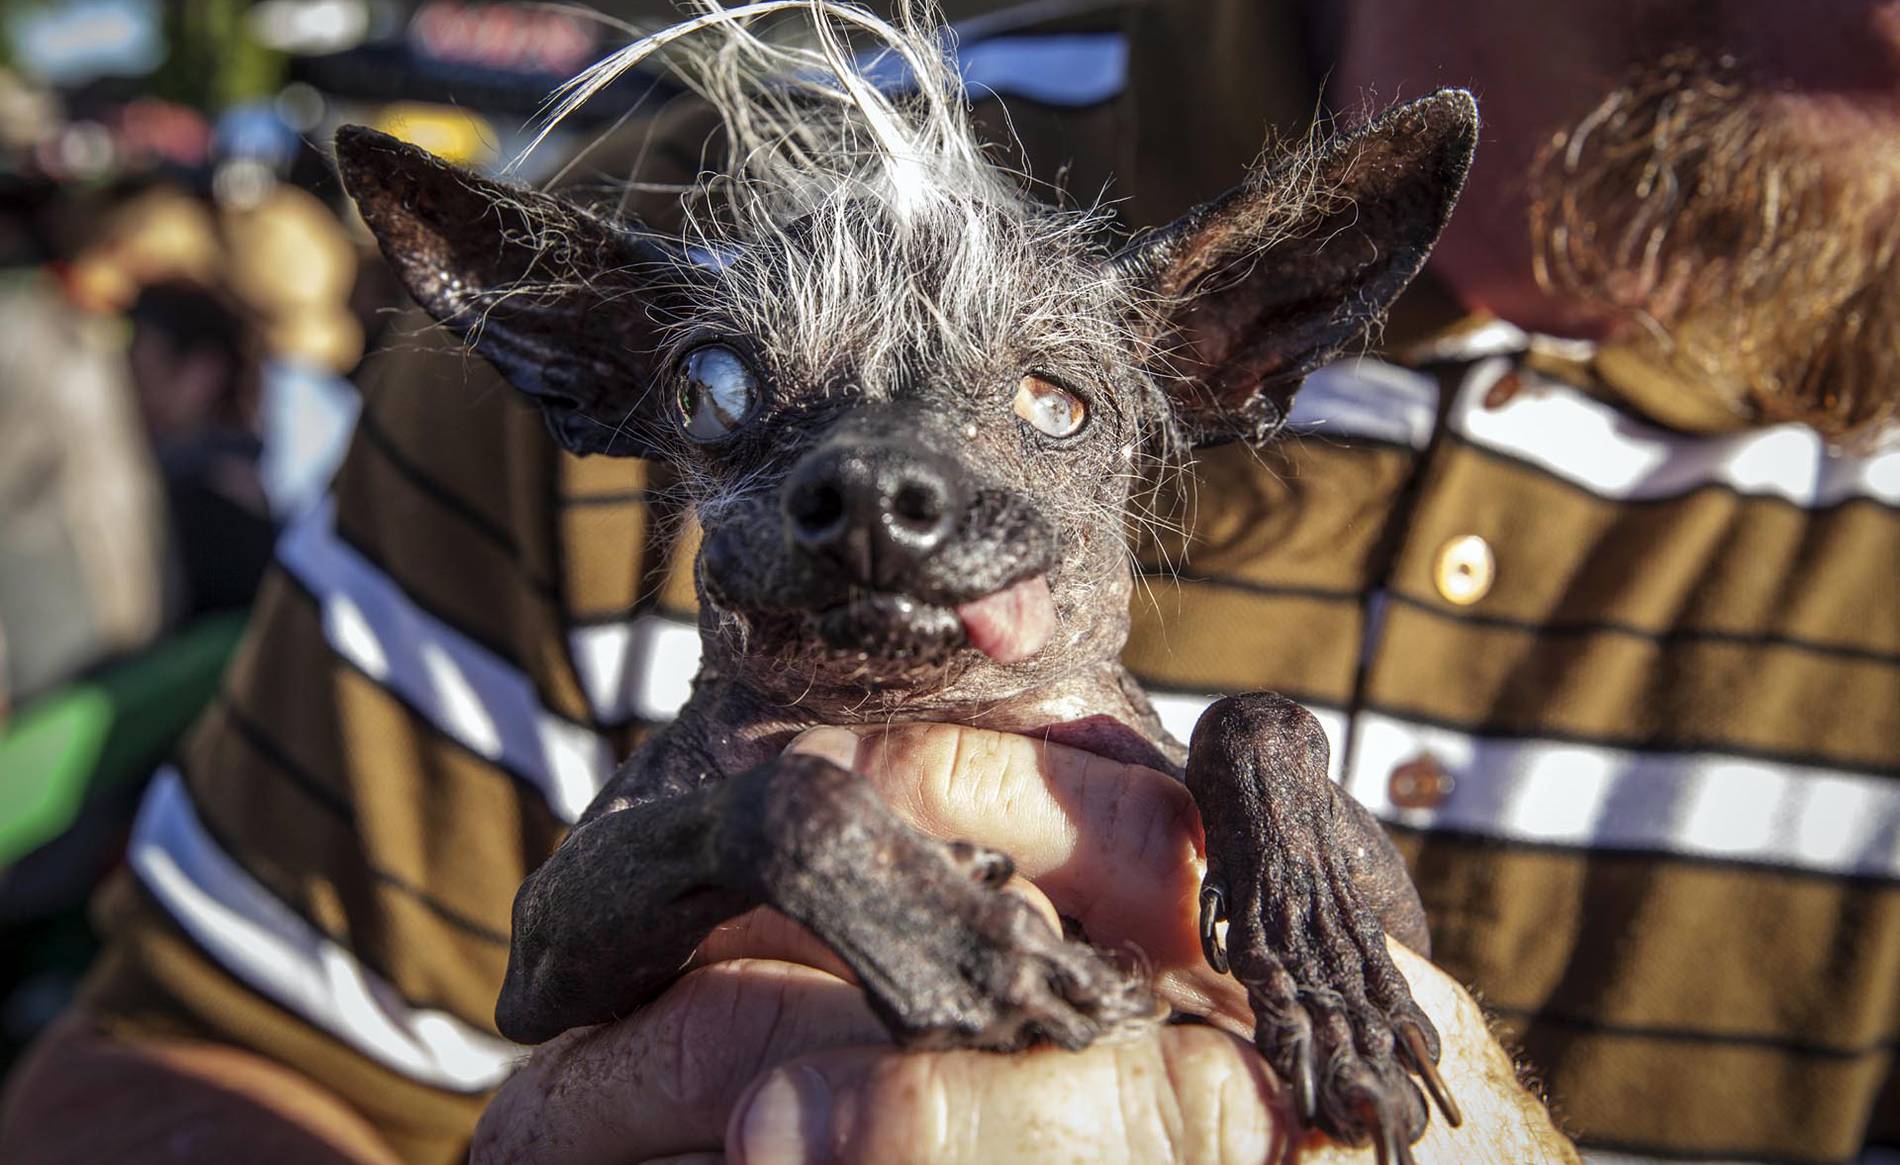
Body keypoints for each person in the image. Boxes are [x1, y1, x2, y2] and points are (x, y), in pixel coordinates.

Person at [6, 0, 1898, 1161]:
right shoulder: (672, 192)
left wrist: (1271, 786)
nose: (879, 491)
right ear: (593, 379)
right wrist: (785, 830)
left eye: (1055, 403)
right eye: (736, 398)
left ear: (1243, 347)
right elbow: (260, 1040)